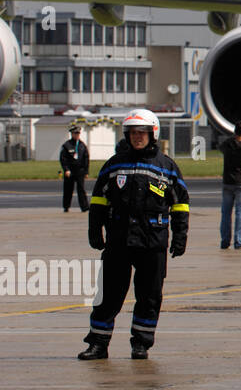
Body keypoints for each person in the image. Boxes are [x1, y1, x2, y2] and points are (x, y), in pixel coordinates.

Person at [79, 108, 188, 360]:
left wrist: (180, 236)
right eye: (132, 133)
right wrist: (95, 231)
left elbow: (181, 205)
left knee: (149, 296)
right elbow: (98, 201)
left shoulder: (167, 167)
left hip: (153, 242)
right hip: (119, 240)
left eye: (142, 132)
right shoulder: (114, 165)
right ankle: (98, 343)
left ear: (153, 134)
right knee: (107, 295)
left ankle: (141, 343)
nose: (137, 137)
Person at [219, 120, 241, 249]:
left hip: (228, 181)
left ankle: (224, 241)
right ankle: (239, 241)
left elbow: (222, 147)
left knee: (226, 213)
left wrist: (235, 138)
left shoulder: (227, 145)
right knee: (240, 213)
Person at [59, 123, 91, 213]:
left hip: (79, 170)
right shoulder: (67, 145)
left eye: (78, 133)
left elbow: (86, 158)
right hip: (70, 171)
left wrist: (86, 171)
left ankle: (84, 207)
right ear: (72, 134)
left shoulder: (82, 145)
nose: (77, 135)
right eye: (75, 133)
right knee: (68, 189)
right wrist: (66, 169)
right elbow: (63, 159)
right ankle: (66, 206)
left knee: (81, 189)